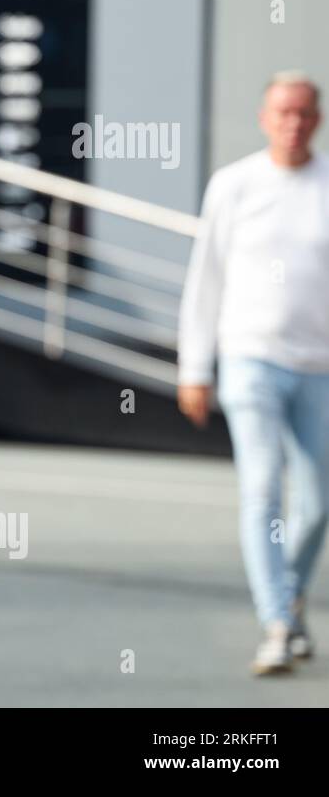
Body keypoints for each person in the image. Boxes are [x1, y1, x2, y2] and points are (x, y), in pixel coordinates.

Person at [178, 71, 329, 676]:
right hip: (249, 359)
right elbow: (205, 278)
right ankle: (275, 621)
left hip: (319, 367)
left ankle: (288, 599)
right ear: (266, 118)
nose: (293, 122)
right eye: (283, 112)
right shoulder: (235, 185)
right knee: (263, 486)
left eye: (304, 113)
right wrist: (195, 366)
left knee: (316, 504)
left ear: (316, 120)